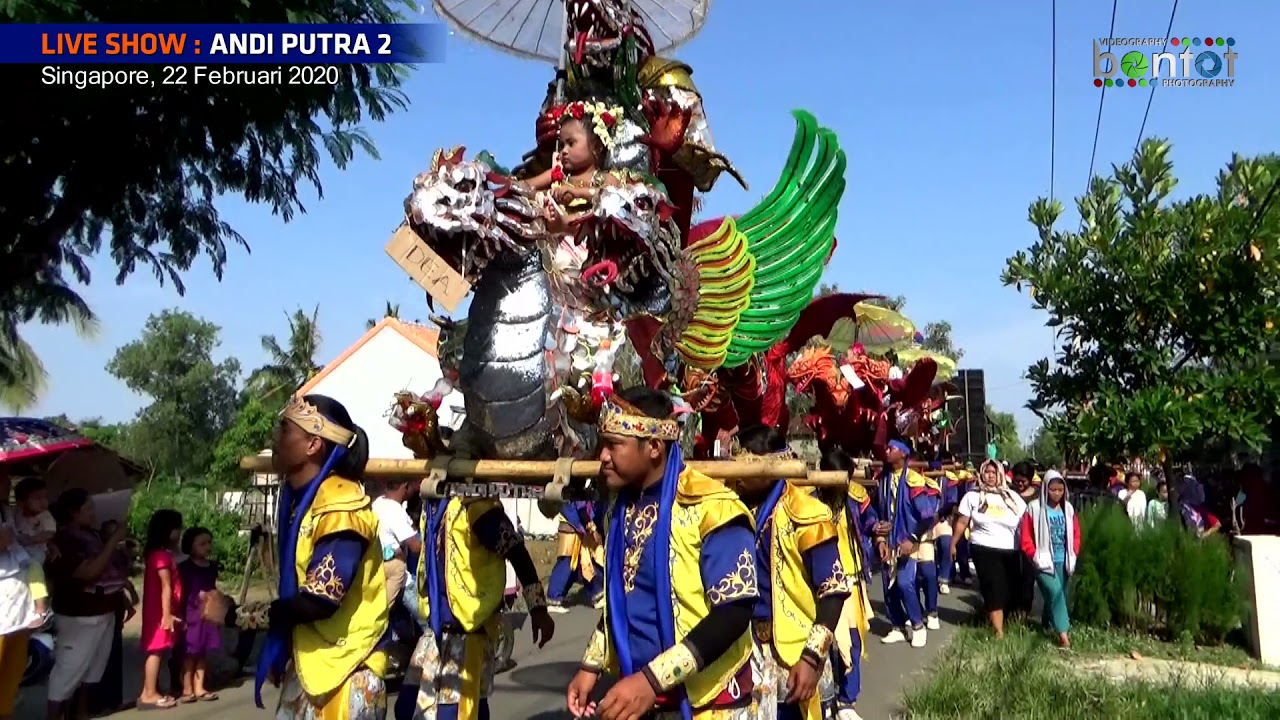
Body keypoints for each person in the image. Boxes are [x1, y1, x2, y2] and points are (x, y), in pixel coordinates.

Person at [566, 388, 759, 720]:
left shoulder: (712, 506)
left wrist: (651, 681)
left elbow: (735, 611)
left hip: (710, 704)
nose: (603, 457)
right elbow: (622, 596)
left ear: (654, 447)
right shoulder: (619, 507)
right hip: (643, 697)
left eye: (614, 445)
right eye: (603, 444)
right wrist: (591, 664)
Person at [403, 448, 555, 718]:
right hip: (436, 632)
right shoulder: (434, 503)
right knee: (408, 706)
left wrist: (538, 609)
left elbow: (516, 552)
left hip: (467, 630)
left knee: (459, 711)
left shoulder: (479, 509)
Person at [733, 425, 849, 720]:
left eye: (743, 464)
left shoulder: (807, 512)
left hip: (793, 652)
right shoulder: (729, 508)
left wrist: (812, 657)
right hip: (741, 652)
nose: (734, 474)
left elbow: (834, 590)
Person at [46, 489, 130, 720]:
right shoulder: (65, 539)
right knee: (69, 668)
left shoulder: (92, 534)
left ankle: (80, 712)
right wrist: (112, 541)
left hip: (104, 610)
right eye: (88, 508)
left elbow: (116, 570)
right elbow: (89, 572)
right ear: (74, 512)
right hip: (79, 613)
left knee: (94, 667)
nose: (94, 513)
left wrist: (116, 543)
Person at [817, 449, 874, 720]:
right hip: (819, 583)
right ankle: (826, 698)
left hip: (850, 581)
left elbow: (869, 519)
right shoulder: (810, 502)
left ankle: (847, 700)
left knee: (851, 641)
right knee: (824, 644)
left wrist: (878, 532)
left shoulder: (855, 495)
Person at [872, 440, 939, 648]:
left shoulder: (913, 479)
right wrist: (879, 535)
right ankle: (898, 626)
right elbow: (876, 511)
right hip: (888, 540)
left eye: (891, 448)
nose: (887, 450)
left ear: (903, 453)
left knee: (904, 582)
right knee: (888, 587)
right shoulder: (883, 479)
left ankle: (918, 625)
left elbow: (927, 516)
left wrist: (911, 538)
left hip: (908, 539)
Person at [952, 460, 1027, 638]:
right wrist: (953, 543)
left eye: (994, 472)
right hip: (983, 547)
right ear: (981, 474)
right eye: (987, 472)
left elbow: (1026, 521)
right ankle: (998, 631)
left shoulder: (1011, 497)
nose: (990, 476)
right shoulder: (972, 496)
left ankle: (999, 620)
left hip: (1011, 549)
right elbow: (962, 522)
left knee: (1009, 589)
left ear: (1000, 474)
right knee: (994, 587)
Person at [1018, 473, 1081, 648]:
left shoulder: (1067, 508)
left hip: (1064, 560)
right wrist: (1034, 555)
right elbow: (1026, 537)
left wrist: (1074, 552)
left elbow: (1076, 533)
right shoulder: (1034, 508)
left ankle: (1046, 624)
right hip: (1043, 561)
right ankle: (1064, 635)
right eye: (1052, 489)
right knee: (1056, 593)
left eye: (1060, 489)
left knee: (1054, 595)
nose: (1056, 493)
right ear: (1045, 488)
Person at [0, 471, 39, 720]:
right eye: (1, 480)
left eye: (7, 479)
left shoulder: (7, 511)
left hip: (17, 593)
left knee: (13, 665)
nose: (7, 484)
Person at [139, 508, 184, 708]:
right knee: (156, 650)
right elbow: (165, 586)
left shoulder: (161, 554)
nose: (180, 533)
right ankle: (149, 693)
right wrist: (166, 615)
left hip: (160, 610)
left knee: (159, 649)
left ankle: (151, 689)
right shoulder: (161, 557)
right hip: (159, 611)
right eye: (177, 529)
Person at [177, 526, 221, 702]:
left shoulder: (212, 567)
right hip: (191, 613)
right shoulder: (184, 567)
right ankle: (187, 688)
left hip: (208, 613)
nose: (207, 547)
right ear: (191, 545)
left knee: (202, 651)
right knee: (189, 652)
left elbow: (212, 586)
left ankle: (200, 686)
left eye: (209, 543)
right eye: (202, 543)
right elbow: (181, 592)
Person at [372, 477, 423, 608]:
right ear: (405, 487)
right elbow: (415, 547)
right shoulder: (395, 511)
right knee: (424, 618)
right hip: (398, 573)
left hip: (378, 566)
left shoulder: (378, 503)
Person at [547, 498, 605, 613]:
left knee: (584, 562)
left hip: (578, 527)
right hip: (572, 527)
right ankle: (553, 598)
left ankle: (596, 593)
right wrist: (592, 529)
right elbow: (581, 508)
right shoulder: (576, 492)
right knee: (566, 563)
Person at [12, 477, 55, 620]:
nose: (43, 502)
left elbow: (50, 532)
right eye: (37, 498)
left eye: (45, 497)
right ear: (21, 502)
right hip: (21, 550)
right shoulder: (16, 514)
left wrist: (31, 539)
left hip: (38, 550)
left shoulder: (45, 516)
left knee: (33, 566)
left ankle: (41, 606)